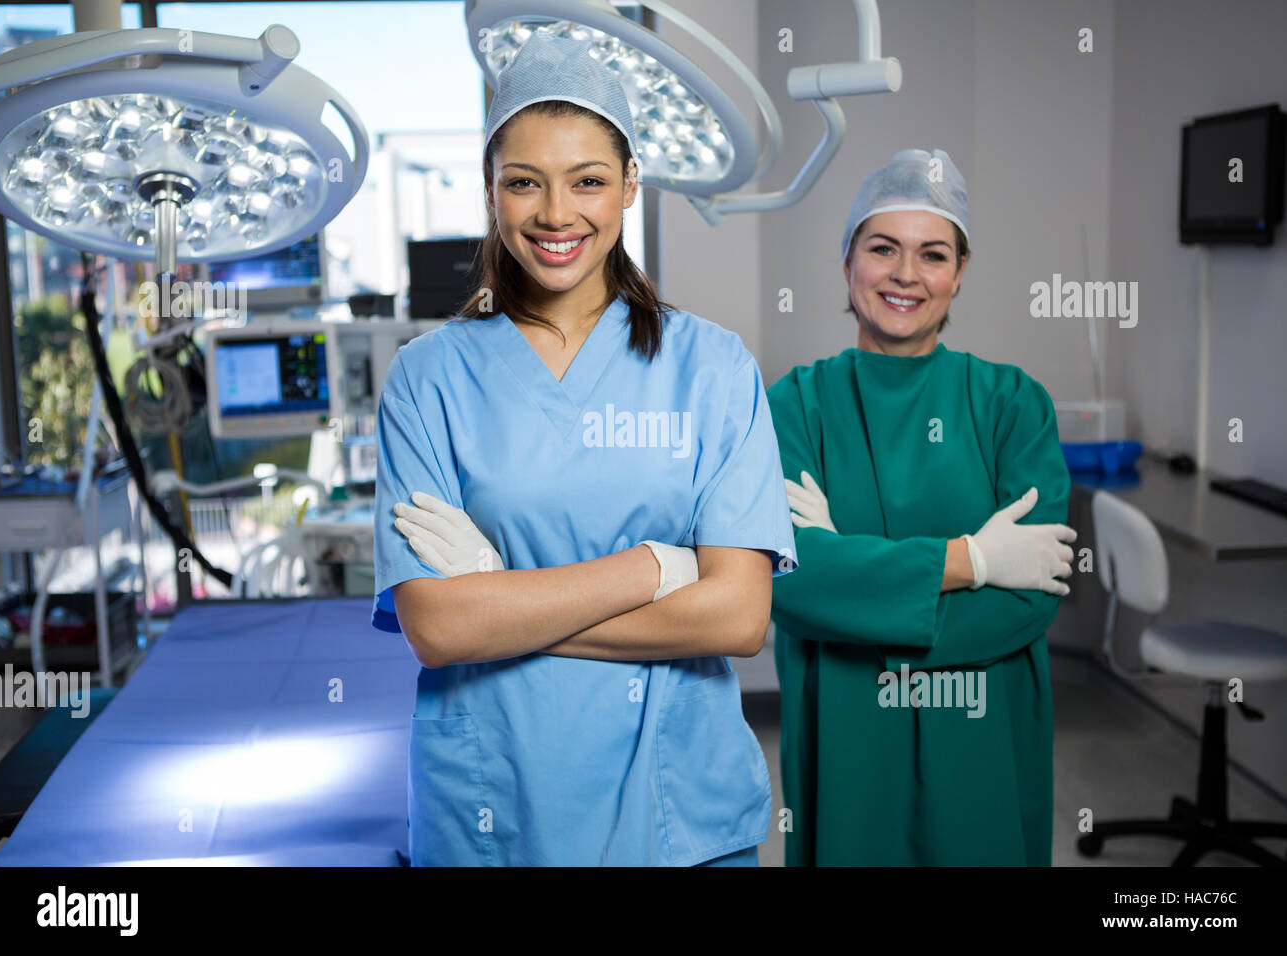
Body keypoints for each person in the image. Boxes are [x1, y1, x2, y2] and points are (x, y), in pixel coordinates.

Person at [370, 30, 796, 867]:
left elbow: (739, 617)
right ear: (491, 190)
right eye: (524, 182)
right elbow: (439, 628)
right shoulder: (428, 379)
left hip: (680, 815)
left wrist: (502, 601)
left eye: (589, 181)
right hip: (496, 809)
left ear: (631, 183)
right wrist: (652, 568)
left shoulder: (711, 368)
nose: (556, 214)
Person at [766, 148, 1076, 865]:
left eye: (933, 254)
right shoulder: (795, 406)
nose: (907, 274)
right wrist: (974, 561)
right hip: (846, 735)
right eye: (883, 249)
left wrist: (853, 586)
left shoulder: (1012, 405)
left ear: (959, 273)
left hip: (981, 725)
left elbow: (1031, 599)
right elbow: (787, 580)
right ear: (848, 262)